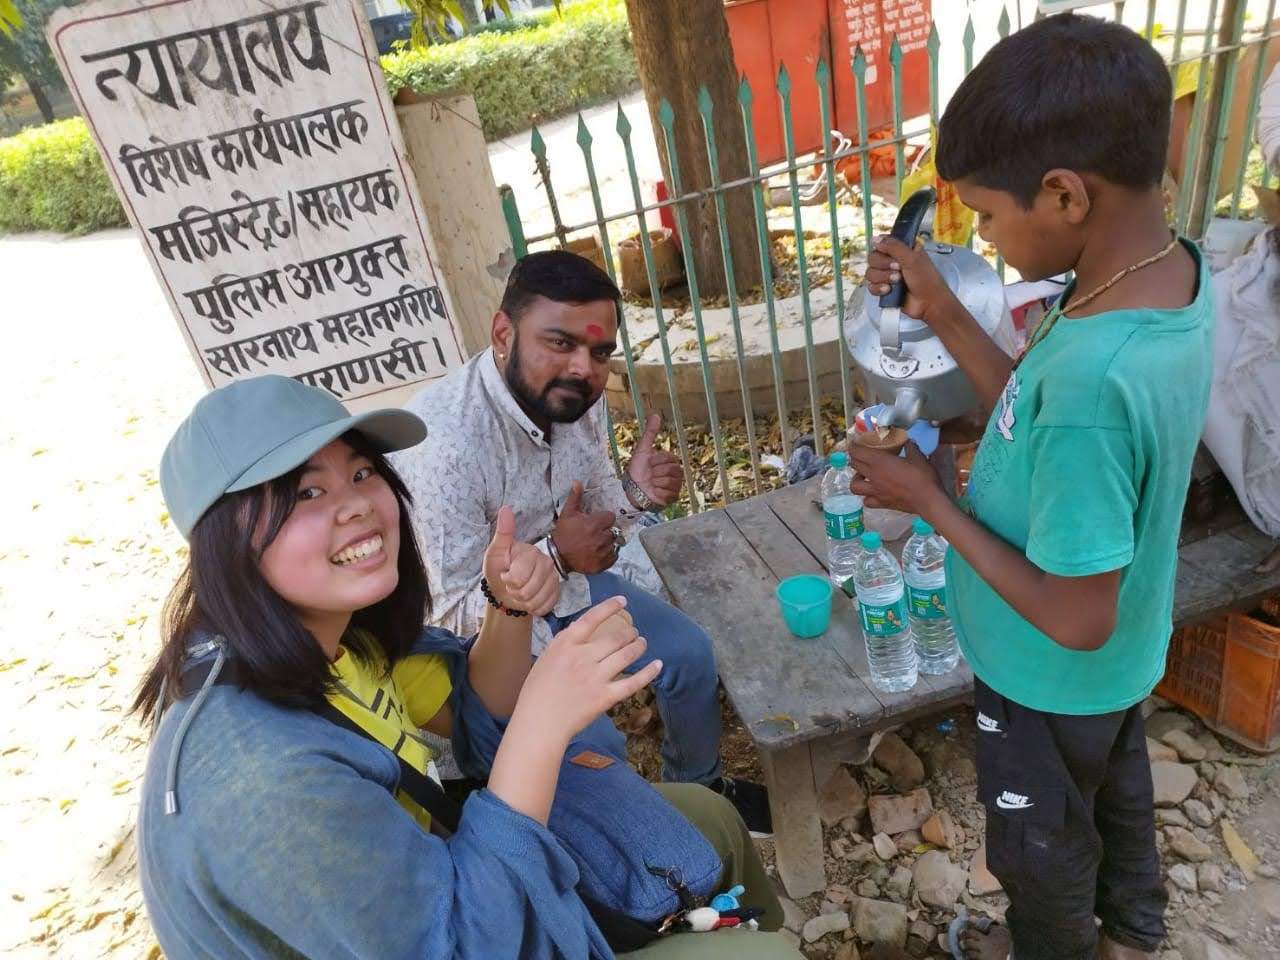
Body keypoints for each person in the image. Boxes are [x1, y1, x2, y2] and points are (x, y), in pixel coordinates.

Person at [133, 374, 799, 959]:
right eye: (307, 493)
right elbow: (466, 943)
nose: (357, 503)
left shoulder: (337, 636)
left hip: (452, 868)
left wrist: (507, 609)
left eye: (362, 472)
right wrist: (544, 720)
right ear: (226, 544)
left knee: (711, 822)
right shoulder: (269, 784)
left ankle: (727, 925)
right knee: (766, 957)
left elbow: (473, 719)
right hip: (467, 925)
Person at [856, 14, 1212, 960]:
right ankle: (1134, 933)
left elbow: (1075, 612)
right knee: (1113, 788)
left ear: (1061, 195)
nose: (981, 236)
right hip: (1116, 667)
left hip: (1047, 672)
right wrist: (937, 306)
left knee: (1040, 849)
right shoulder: (1156, 278)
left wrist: (929, 499)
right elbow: (1036, 402)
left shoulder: (1095, 380)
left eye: (986, 213)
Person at [392, 251, 771, 835]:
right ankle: (623, 842)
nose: (583, 368)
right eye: (559, 342)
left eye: (599, 352)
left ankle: (697, 788)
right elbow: (447, 617)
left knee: (690, 655)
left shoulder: (571, 401)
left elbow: (594, 522)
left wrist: (634, 498)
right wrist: (556, 558)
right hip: (487, 649)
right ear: (503, 332)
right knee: (594, 743)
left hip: (567, 591)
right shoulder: (443, 447)